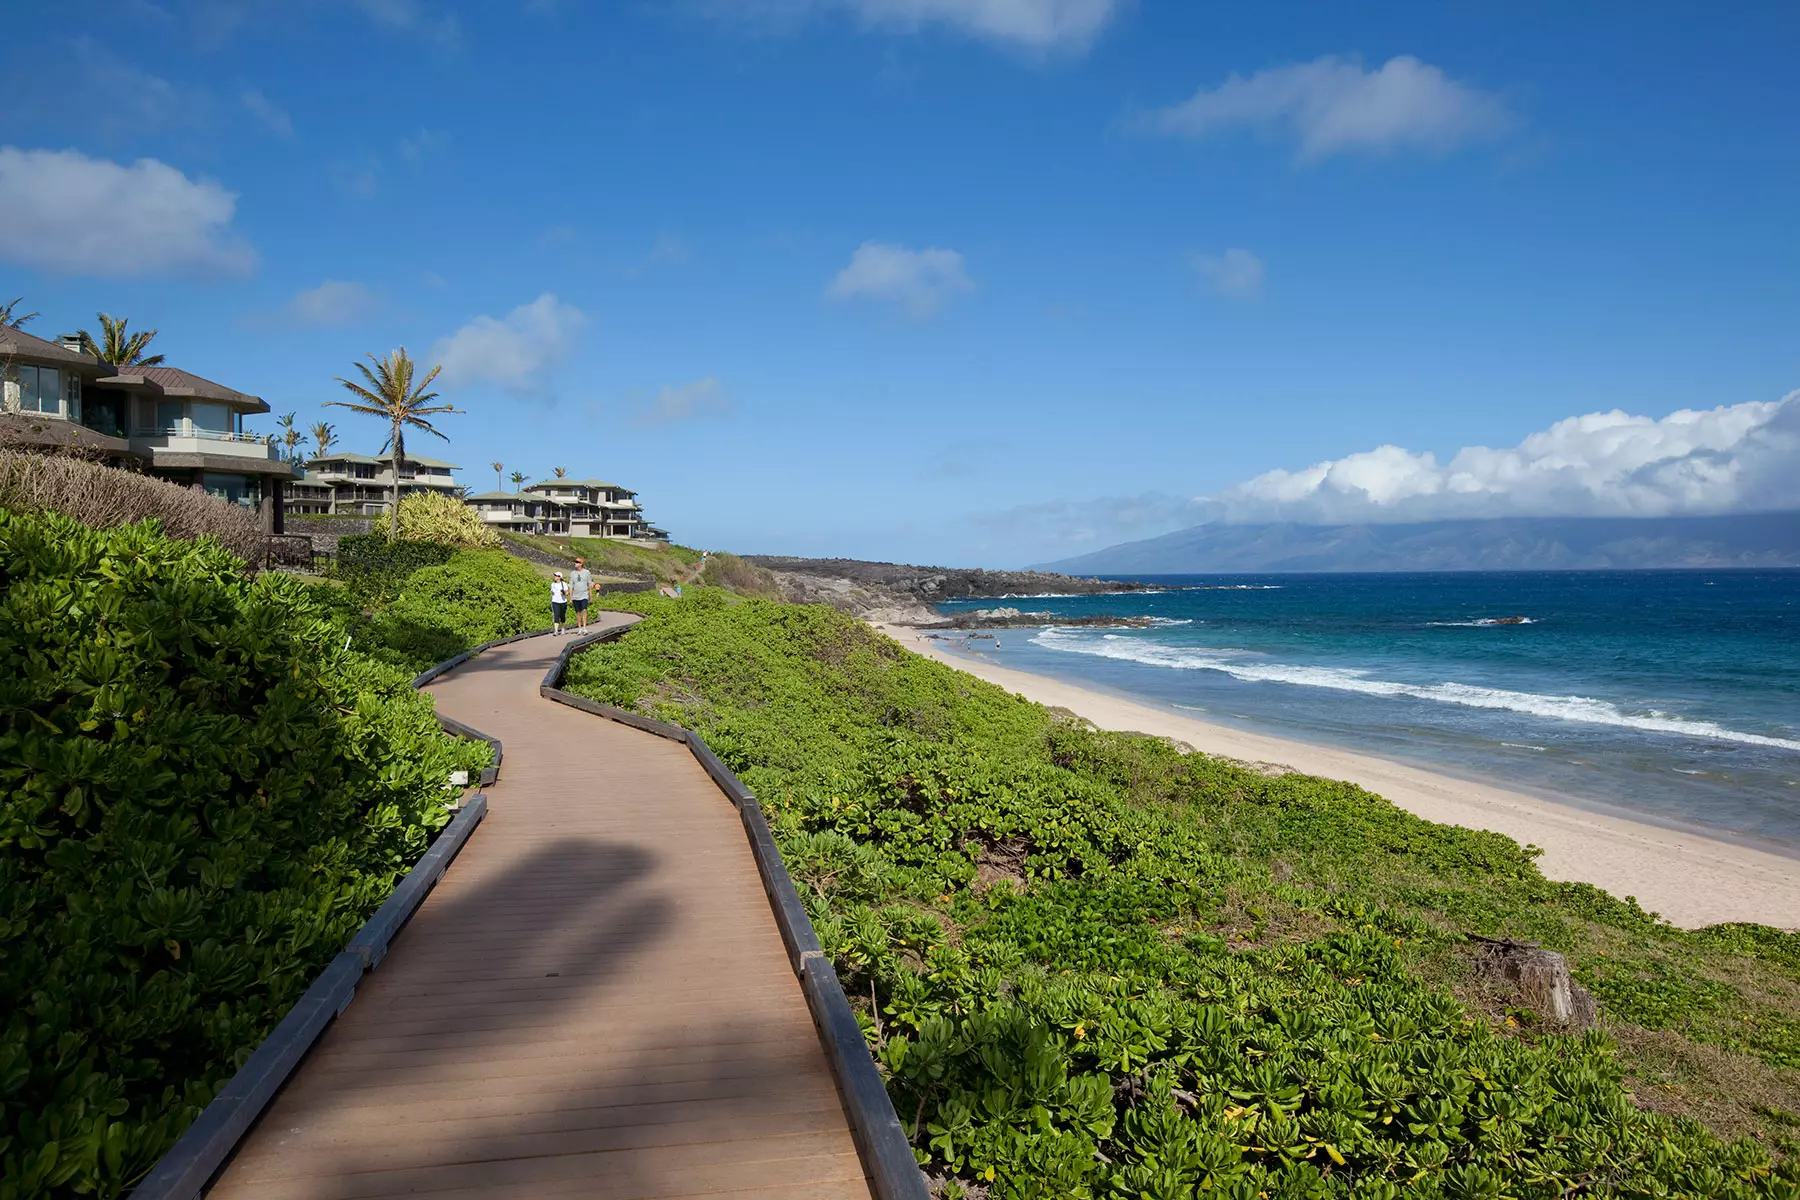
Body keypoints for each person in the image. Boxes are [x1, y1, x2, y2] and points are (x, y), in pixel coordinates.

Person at [569, 556, 593, 631]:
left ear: (581, 564)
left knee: (584, 610)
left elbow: (589, 584)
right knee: (578, 612)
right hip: (576, 596)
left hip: (584, 595)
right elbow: (570, 586)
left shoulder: (587, 572)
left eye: (577, 562)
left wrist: (590, 595)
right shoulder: (572, 573)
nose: (575, 563)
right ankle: (579, 628)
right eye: (575, 562)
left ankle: (584, 627)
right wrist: (570, 597)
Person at [550, 570, 569, 636]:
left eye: (556, 576)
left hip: (563, 602)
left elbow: (567, 593)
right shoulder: (552, 584)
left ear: (559, 577)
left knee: (562, 616)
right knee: (556, 615)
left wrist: (563, 592)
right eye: (555, 575)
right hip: (555, 601)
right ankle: (556, 631)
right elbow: (553, 592)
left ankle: (563, 629)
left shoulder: (564, 584)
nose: (555, 577)